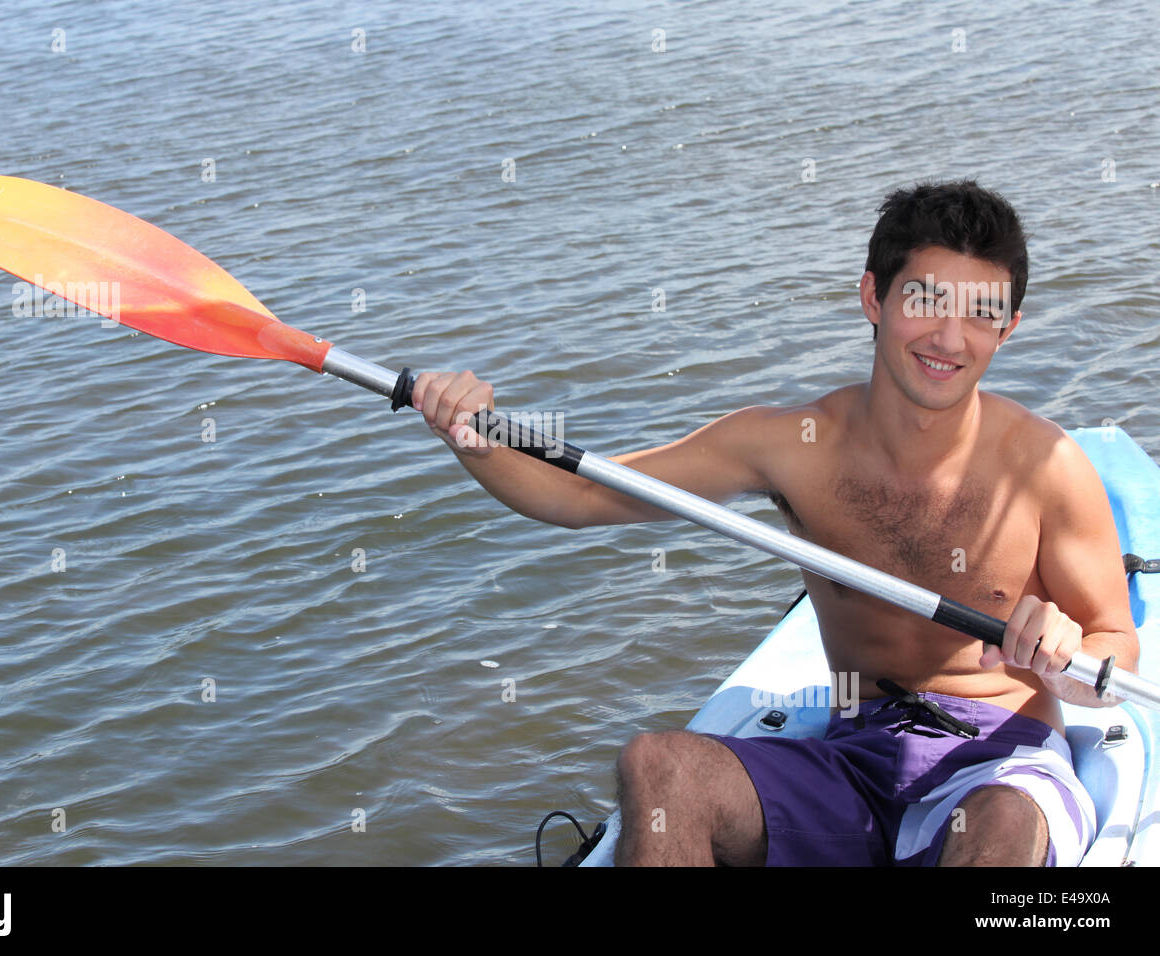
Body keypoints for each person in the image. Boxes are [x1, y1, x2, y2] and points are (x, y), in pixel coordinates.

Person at [410, 180, 1138, 866]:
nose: (949, 338)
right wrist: (476, 436)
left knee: (1001, 824)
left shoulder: (1046, 464)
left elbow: (1117, 651)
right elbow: (582, 494)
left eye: (980, 314)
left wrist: (1069, 660)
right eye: (925, 300)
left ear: (1007, 328)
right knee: (659, 768)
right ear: (873, 298)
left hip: (1003, 764)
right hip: (855, 753)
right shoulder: (793, 446)